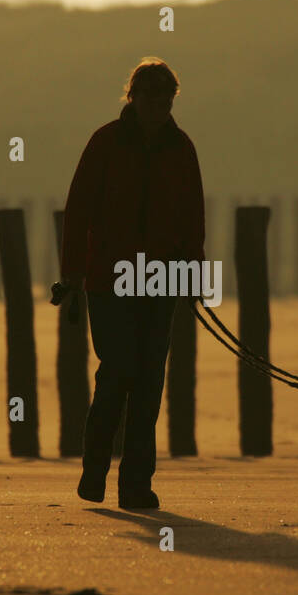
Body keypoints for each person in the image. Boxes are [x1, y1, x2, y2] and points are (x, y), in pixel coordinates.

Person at [58, 58, 205, 509]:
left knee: (147, 383)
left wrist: (192, 273)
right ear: (133, 97)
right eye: (150, 96)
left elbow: (193, 218)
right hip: (109, 279)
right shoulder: (105, 143)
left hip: (160, 280)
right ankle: (95, 470)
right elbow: (79, 209)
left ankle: (136, 484)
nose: (158, 104)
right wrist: (72, 275)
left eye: (166, 97)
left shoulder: (181, 148)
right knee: (118, 371)